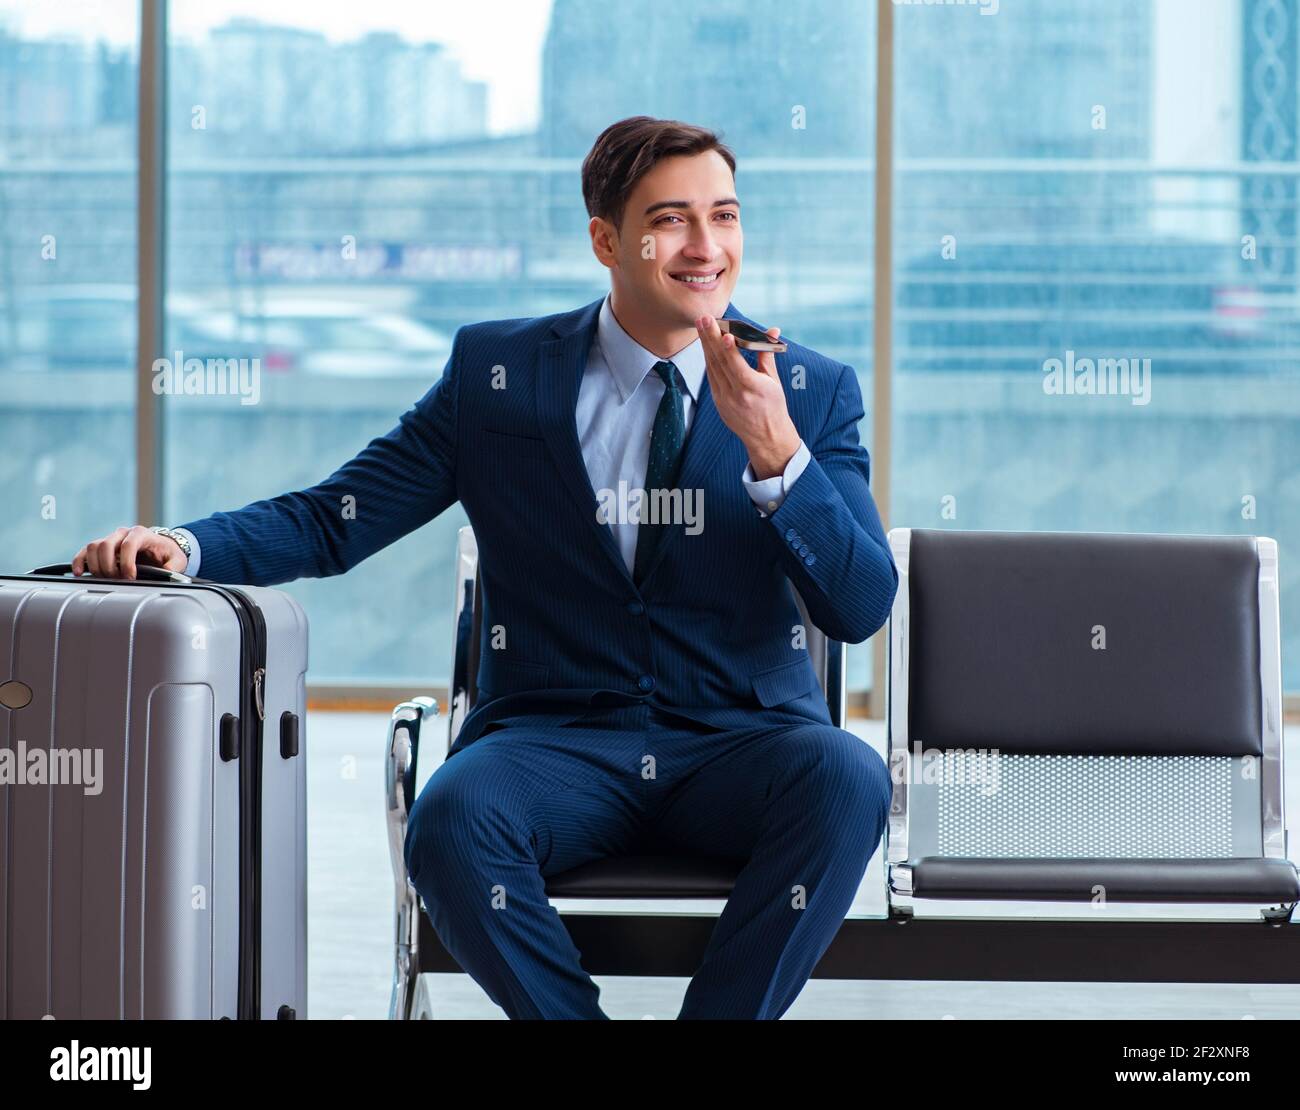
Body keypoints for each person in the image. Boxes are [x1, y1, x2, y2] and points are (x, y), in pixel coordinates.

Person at [72, 115, 898, 1019]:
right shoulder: (498, 373)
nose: (707, 247)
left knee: (848, 778)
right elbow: (335, 518)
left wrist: (777, 452)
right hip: (554, 741)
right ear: (607, 240)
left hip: (743, 743)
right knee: (453, 820)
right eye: (672, 220)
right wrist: (183, 547)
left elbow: (858, 604)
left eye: (726, 216)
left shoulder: (810, 389)